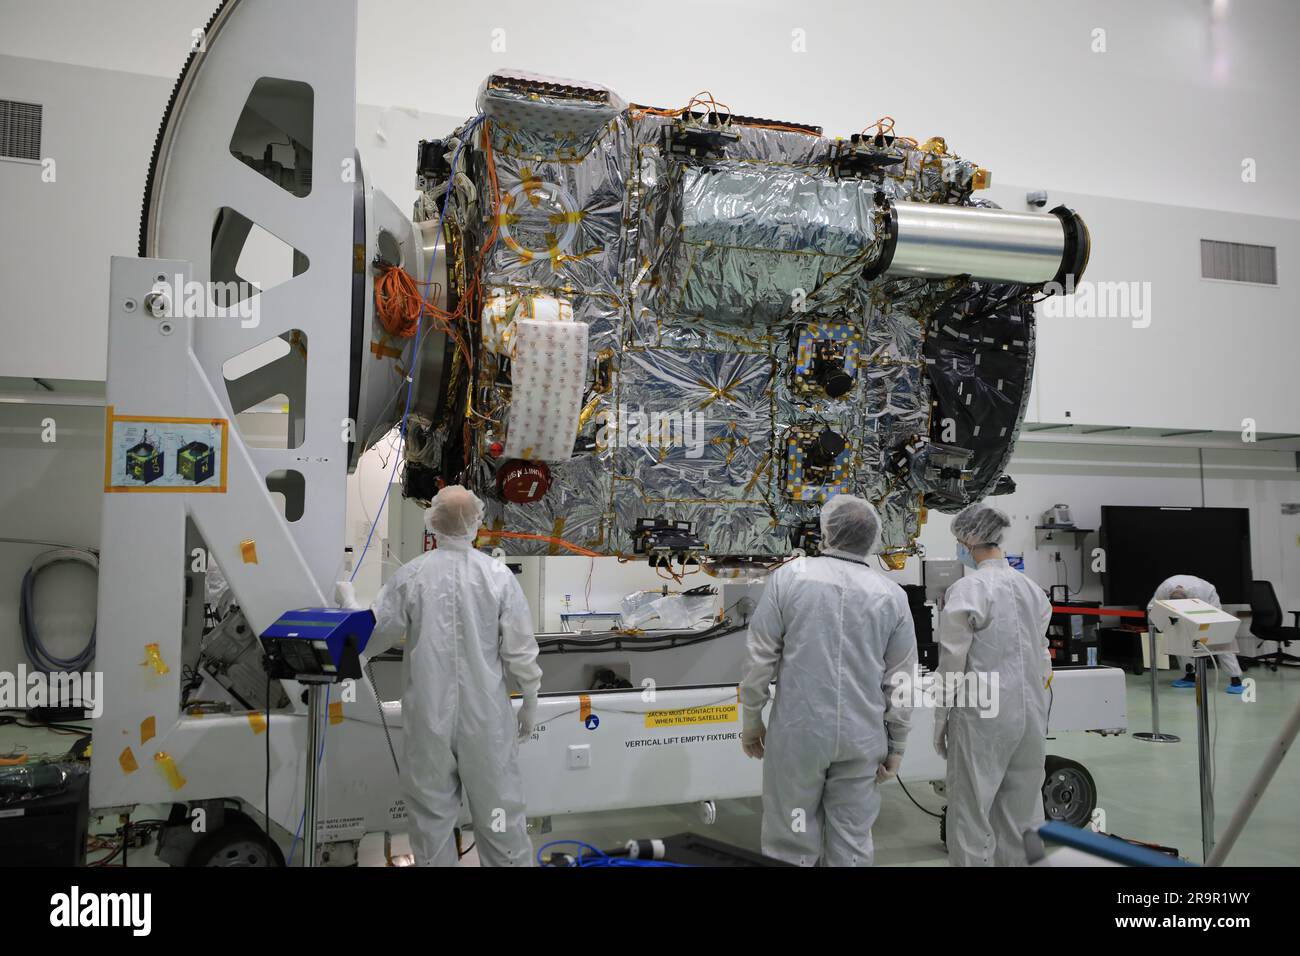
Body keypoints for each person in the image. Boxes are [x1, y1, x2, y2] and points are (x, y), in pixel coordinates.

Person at [336, 485, 540, 866]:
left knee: (431, 823)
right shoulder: (497, 576)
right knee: (501, 820)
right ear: (477, 523)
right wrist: (530, 701)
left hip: (429, 718)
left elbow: (372, 635)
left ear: (432, 523)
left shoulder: (412, 575)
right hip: (487, 723)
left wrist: (348, 602)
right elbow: (520, 651)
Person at [739, 494, 917, 866]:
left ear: (826, 530)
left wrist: (752, 721)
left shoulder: (790, 577)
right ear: (873, 538)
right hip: (861, 738)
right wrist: (896, 745)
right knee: (852, 842)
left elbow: (759, 659)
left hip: (799, 735)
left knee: (791, 836)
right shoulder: (892, 596)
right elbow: (901, 679)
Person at [934, 502, 1052, 867]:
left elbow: (952, 663)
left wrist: (940, 720)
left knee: (970, 813)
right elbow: (1043, 656)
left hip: (982, 714)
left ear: (968, 539)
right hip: (1030, 711)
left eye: (958, 540)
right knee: (1026, 812)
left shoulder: (968, 589)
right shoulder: (1032, 589)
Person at [1148, 575, 1244, 694]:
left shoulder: (1200, 591)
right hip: (1179, 606)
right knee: (1179, 634)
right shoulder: (1164, 589)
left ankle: (1235, 679)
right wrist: (1158, 624)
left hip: (1208, 601)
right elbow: (1152, 607)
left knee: (1220, 636)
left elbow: (1202, 613)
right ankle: (1190, 675)